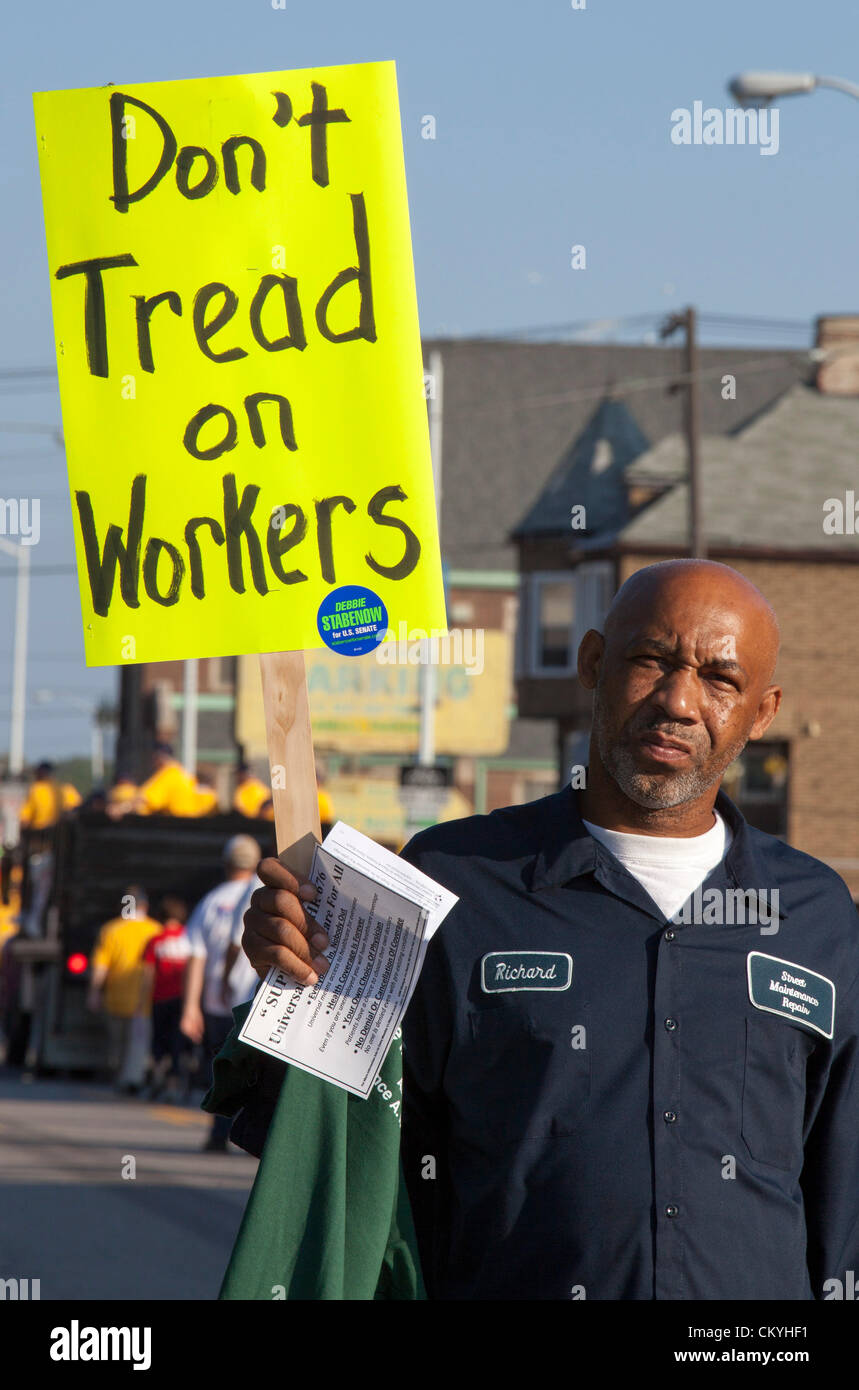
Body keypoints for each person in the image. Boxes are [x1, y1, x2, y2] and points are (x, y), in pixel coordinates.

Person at [240, 559, 859, 1301]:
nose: (678, 700)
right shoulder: (454, 878)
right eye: (650, 661)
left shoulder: (817, 915)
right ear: (593, 663)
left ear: (761, 712)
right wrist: (294, 979)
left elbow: (843, 1193)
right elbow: (338, 1137)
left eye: (719, 679)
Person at [181, 836, 261, 1151]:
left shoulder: (211, 901)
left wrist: (190, 1007)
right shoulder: (264, 892)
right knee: (253, 1072)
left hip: (219, 1003)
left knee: (223, 1070)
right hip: (256, 1002)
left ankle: (219, 1134)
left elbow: (196, 956)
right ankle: (246, 1137)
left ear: (227, 863)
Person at [88, 885, 161, 1093]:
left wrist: (94, 992)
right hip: (144, 1000)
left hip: (115, 999)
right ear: (145, 906)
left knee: (117, 1043)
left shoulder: (110, 929)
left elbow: (101, 965)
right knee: (137, 1044)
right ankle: (131, 1080)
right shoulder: (155, 929)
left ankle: (118, 1075)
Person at [18, 761, 80, 936]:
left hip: (42, 847)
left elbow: (24, 820)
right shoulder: (65, 790)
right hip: (65, 850)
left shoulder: (36, 790)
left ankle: (34, 924)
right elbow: (76, 810)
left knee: (40, 889)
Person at [141, 894, 191, 1102]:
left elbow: (148, 973)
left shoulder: (155, 940)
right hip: (182, 999)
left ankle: (157, 1077)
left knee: (158, 1040)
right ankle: (174, 1085)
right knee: (177, 1043)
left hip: (159, 998)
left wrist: (142, 1000)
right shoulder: (189, 938)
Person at [107, 743, 198, 819]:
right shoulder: (182, 773)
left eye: (154, 759)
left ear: (160, 758)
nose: (153, 763)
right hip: (190, 822)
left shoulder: (170, 774)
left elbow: (144, 800)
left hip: (181, 825)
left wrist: (121, 809)